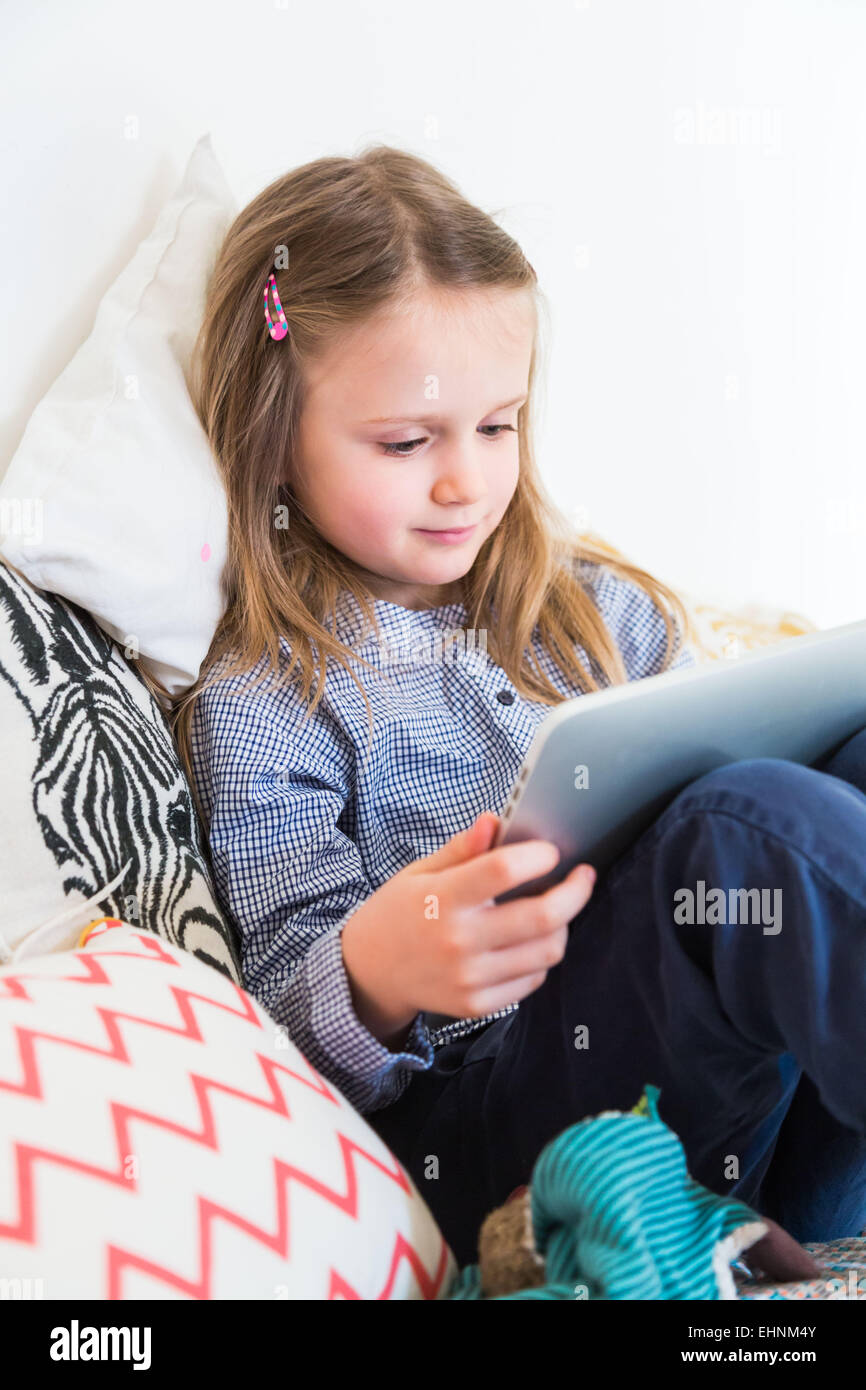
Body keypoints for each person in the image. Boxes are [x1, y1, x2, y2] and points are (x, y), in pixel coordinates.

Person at [172, 144, 866, 1269]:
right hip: (500, 1125)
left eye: (496, 426)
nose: (464, 481)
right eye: (407, 442)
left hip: (759, 1125)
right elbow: (273, 1039)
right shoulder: (265, 699)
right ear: (273, 441)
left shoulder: (596, 609)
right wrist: (376, 974)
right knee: (736, 838)